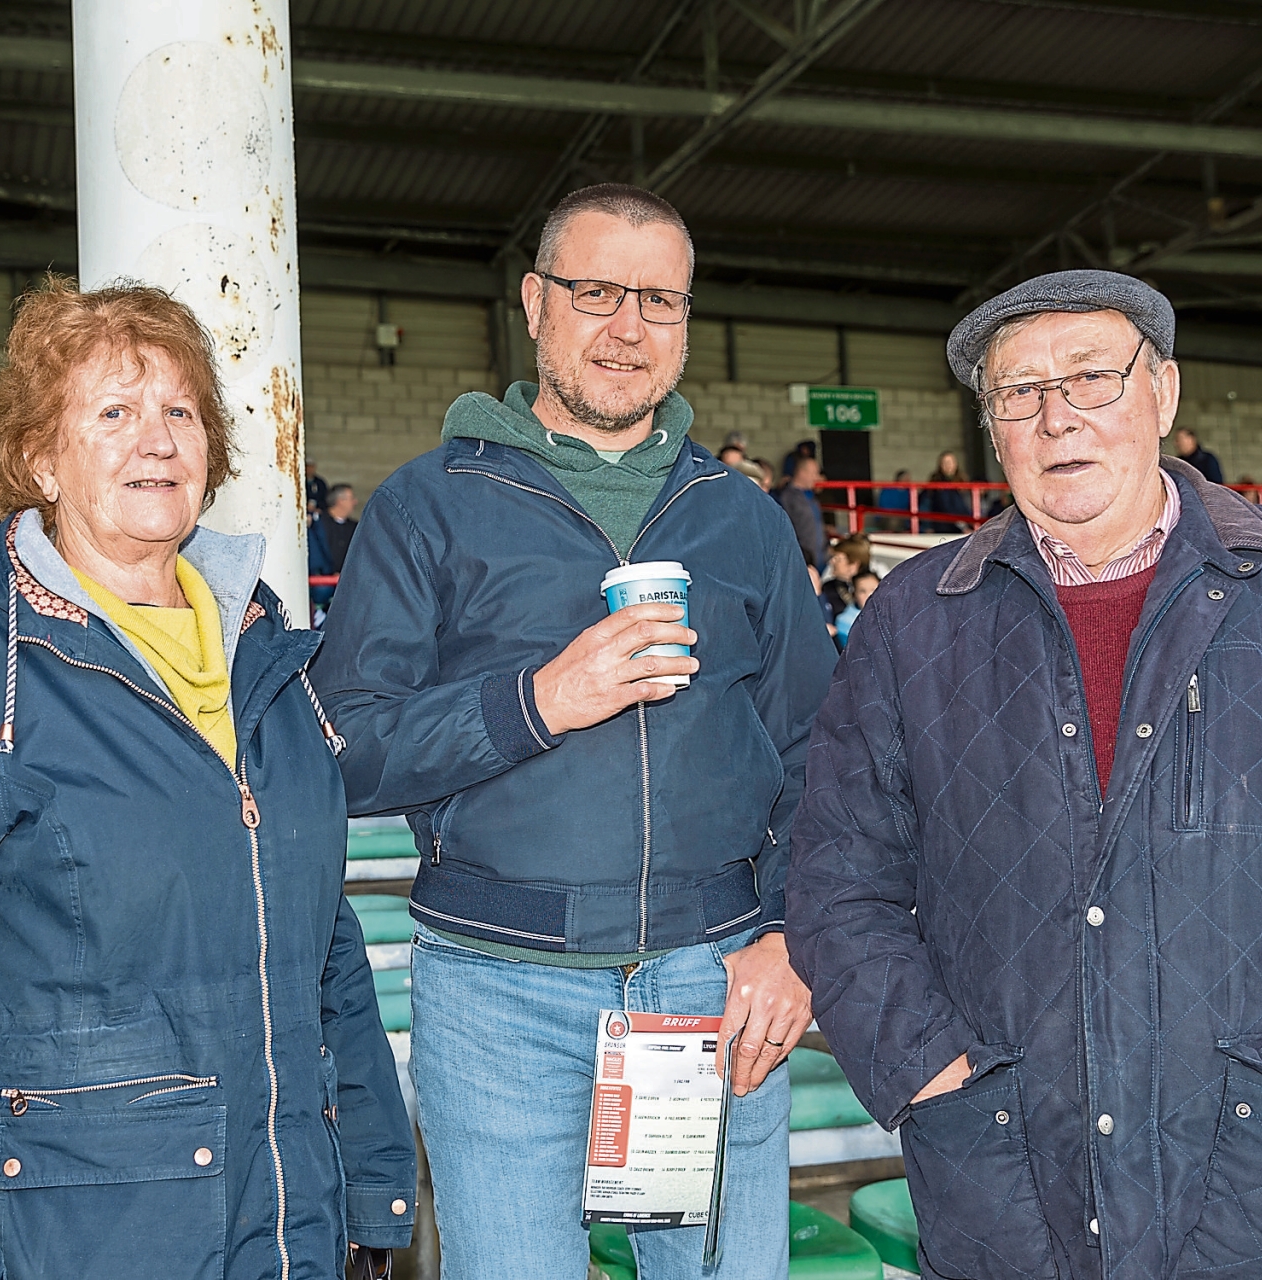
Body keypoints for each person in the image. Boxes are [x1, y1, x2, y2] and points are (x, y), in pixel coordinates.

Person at [787, 268, 1262, 1280]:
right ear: (994, 428)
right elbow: (840, 887)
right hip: (1007, 1203)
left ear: (1165, 394)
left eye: (1093, 376)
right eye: (1019, 391)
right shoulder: (912, 622)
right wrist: (937, 1079)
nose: (1057, 415)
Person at [0, 280, 414, 1280]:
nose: (159, 438)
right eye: (114, 412)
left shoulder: (265, 651)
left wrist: (371, 1188)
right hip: (86, 1237)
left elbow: (322, 943)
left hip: (290, 1225)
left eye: (180, 410)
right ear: (40, 458)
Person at [312, 184, 835, 1280]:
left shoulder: (743, 518)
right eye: (597, 291)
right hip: (503, 988)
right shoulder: (428, 506)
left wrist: (789, 936)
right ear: (537, 302)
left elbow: (822, 756)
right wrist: (536, 701)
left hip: (710, 982)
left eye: (660, 300)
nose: (628, 327)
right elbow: (346, 750)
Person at [308, 482, 360, 616]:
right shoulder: (316, 524)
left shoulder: (356, 527)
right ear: (340, 501)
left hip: (349, 581)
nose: (355, 502)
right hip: (322, 582)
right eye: (351, 498)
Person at [778, 451, 828, 571]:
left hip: (819, 559)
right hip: (801, 562)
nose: (817, 478)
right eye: (814, 473)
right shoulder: (786, 498)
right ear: (802, 473)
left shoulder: (812, 498)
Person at [919, 450, 974, 534]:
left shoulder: (963, 482)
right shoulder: (936, 484)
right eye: (945, 463)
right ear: (940, 465)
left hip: (964, 526)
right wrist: (963, 527)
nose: (948, 466)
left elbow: (966, 506)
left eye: (950, 462)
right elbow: (947, 508)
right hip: (945, 528)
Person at [823, 534, 872, 618]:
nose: (831, 562)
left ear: (853, 564)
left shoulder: (875, 586)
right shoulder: (829, 588)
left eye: (837, 559)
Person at [833, 569, 877, 647]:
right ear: (854, 595)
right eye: (862, 591)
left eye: (874, 590)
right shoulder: (844, 621)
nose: (869, 595)